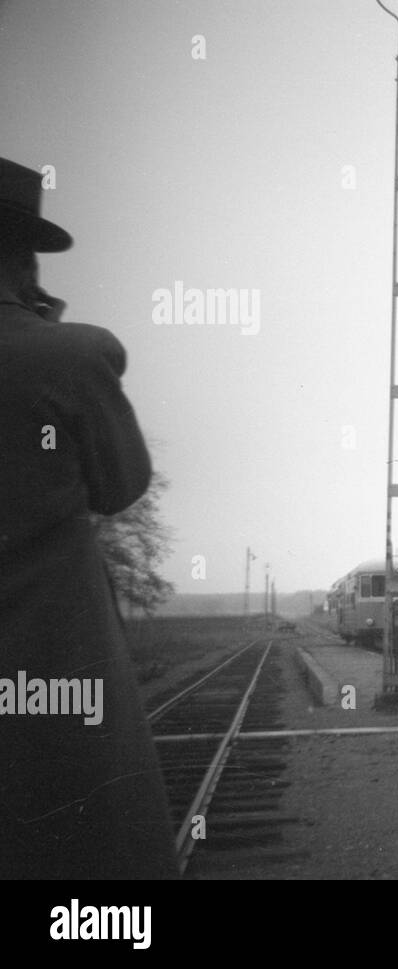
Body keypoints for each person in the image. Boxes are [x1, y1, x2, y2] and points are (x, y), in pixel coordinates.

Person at [0, 157, 177, 877]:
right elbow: (121, 482)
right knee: (92, 848)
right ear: (23, 256)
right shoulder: (68, 358)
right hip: (49, 658)